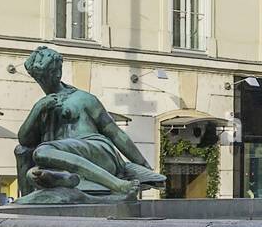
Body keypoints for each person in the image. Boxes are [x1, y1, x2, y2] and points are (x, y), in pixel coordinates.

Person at [16, 46, 165, 199]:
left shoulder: (83, 99)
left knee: (42, 152)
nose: (41, 82)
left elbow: (114, 132)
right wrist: (37, 109)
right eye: (38, 78)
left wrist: (143, 166)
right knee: (32, 173)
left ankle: (117, 184)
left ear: (57, 73)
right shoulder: (43, 106)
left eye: (44, 77)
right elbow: (24, 141)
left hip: (97, 151)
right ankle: (65, 180)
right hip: (62, 158)